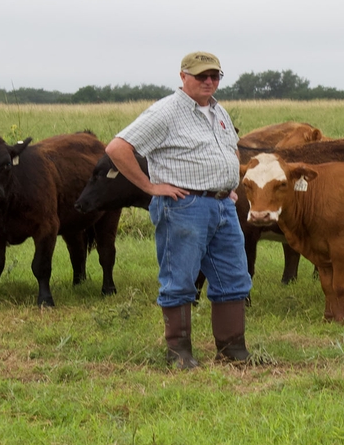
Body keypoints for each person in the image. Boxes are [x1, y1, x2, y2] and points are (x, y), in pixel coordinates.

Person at [105, 51, 252, 369]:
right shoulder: (166, 111)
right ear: (183, 76)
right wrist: (149, 187)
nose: (209, 82)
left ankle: (232, 349)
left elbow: (230, 148)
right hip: (183, 206)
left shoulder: (218, 111)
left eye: (214, 76)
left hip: (222, 205)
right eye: (201, 76)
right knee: (180, 279)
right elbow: (118, 148)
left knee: (234, 277)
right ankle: (179, 353)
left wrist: (227, 185)